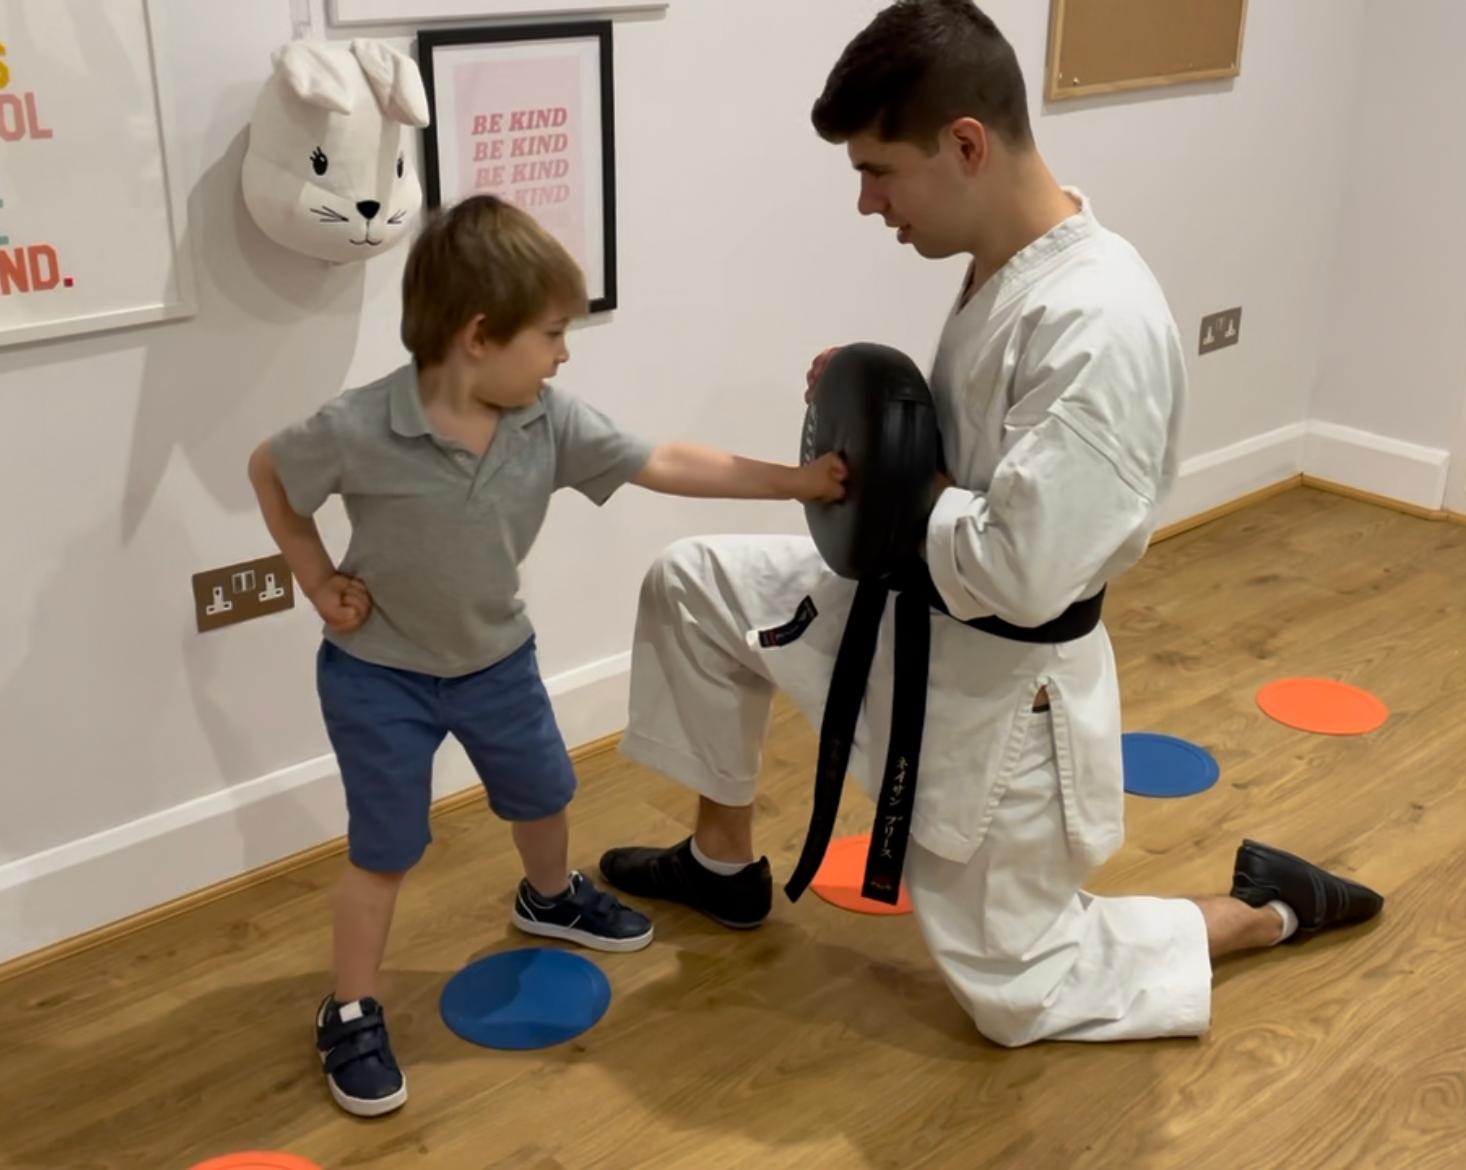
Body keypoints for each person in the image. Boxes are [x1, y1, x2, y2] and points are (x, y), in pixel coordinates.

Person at [598, 0, 1383, 1049]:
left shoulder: (1095, 323)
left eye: (878, 170)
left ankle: (1262, 909)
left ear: (965, 144)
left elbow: (1019, 569)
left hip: (1004, 689)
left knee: (1019, 996)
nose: (868, 203)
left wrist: (891, 475)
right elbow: (971, 453)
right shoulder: (1003, 267)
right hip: (902, 616)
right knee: (696, 584)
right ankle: (722, 865)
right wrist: (869, 408)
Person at [248, 194, 846, 1117]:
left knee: (545, 793)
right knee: (385, 849)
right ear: (479, 336)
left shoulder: (548, 421)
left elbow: (667, 462)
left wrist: (795, 482)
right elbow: (270, 474)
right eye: (553, 333)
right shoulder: (359, 425)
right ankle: (352, 1005)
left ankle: (550, 896)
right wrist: (318, 579)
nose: (565, 353)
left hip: (497, 661)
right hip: (378, 676)